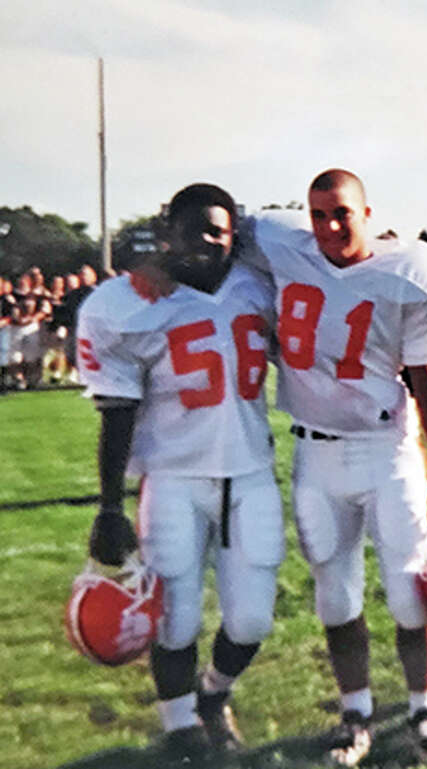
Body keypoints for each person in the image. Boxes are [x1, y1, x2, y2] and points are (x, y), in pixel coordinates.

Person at [242, 169, 427, 767]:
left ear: (367, 213)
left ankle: (425, 710)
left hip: (387, 451)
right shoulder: (283, 245)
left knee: (410, 594)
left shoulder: (408, 273)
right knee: (335, 600)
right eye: (318, 215)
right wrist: (157, 264)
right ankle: (356, 713)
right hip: (315, 455)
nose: (330, 227)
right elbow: (214, 229)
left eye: (341, 213)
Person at [77, 183, 283, 762]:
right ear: (167, 232)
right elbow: (117, 413)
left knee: (252, 620)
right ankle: (180, 726)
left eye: (218, 231)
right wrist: (110, 506)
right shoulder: (126, 303)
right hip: (172, 477)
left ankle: (213, 695)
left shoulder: (257, 284)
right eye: (194, 230)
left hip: (250, 473)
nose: (207, 241)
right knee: (176, 618)